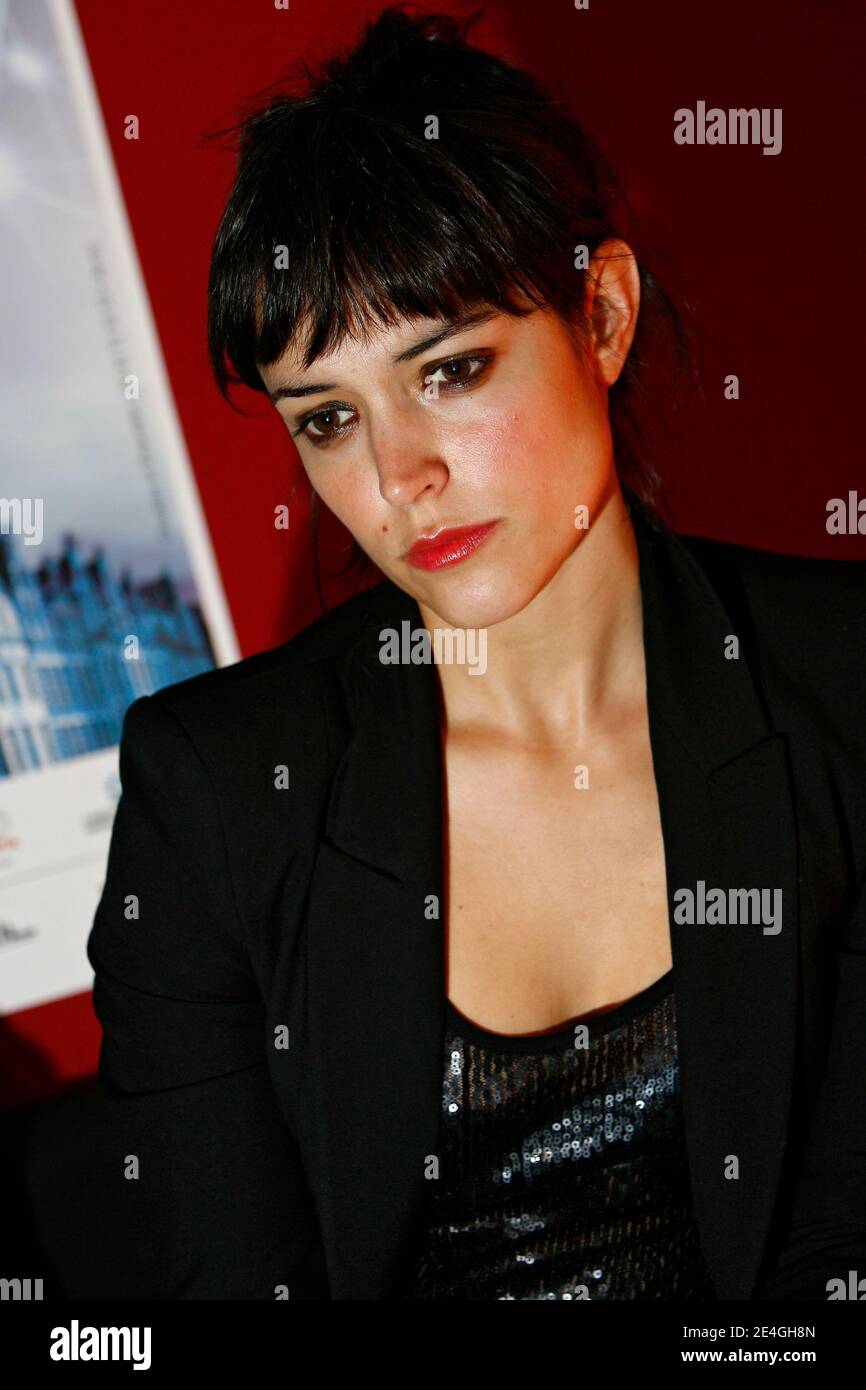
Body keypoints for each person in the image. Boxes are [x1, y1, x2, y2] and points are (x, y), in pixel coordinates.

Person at [82, 5, 865, 1300]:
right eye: (328, 416)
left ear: (601, 315)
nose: (398, 477)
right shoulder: (217, 795)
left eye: (449, 370)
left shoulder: (836, 684)